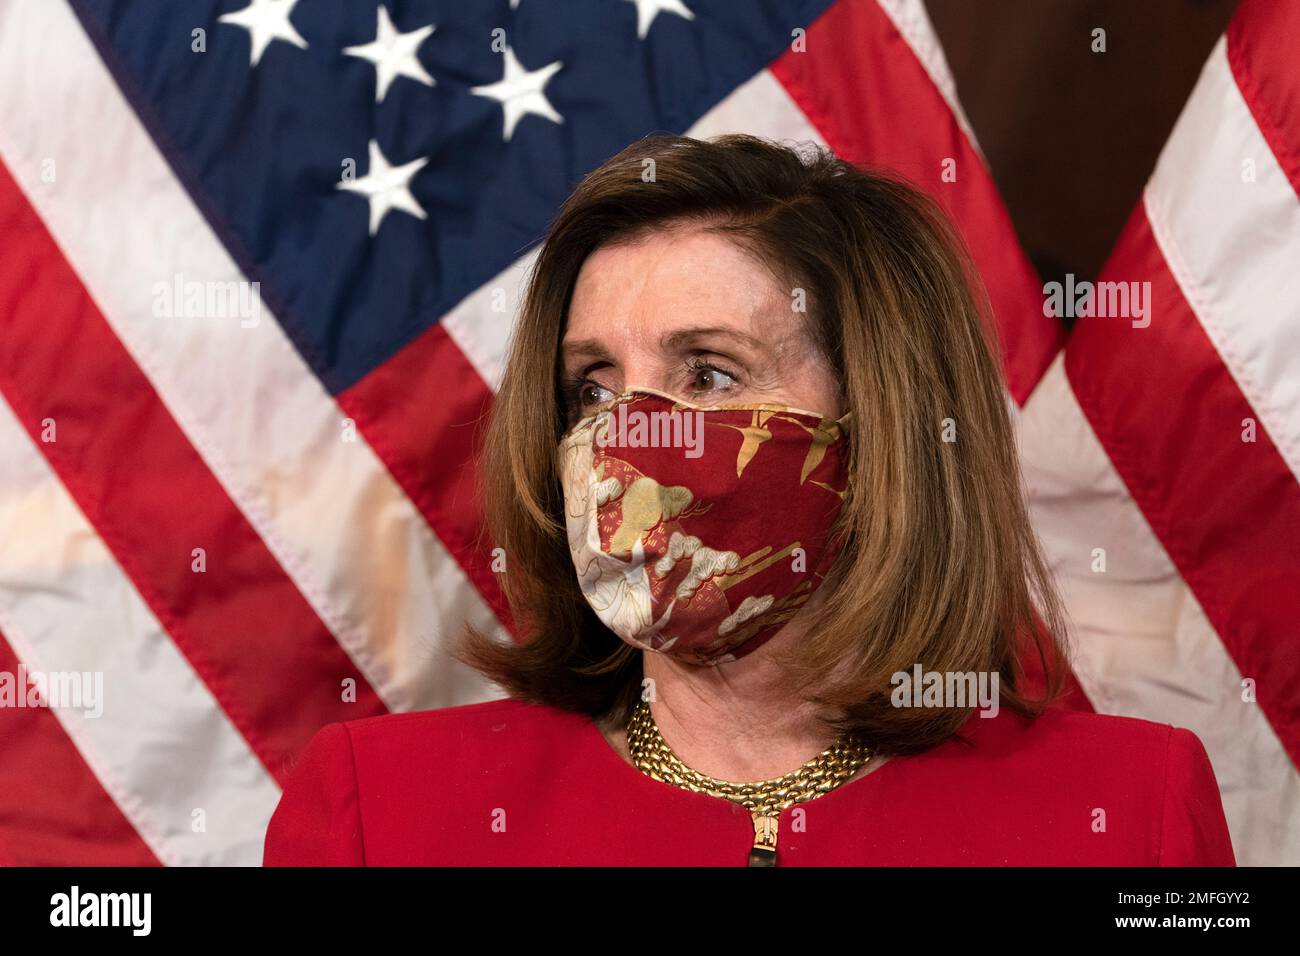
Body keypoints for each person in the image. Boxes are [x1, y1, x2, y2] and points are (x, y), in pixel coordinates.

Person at [263, 134, 1235, 866]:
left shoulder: (1128, 810)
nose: (631, 435)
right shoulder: (383, 811)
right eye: (593, 387)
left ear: (885, 423)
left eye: (711, 372)